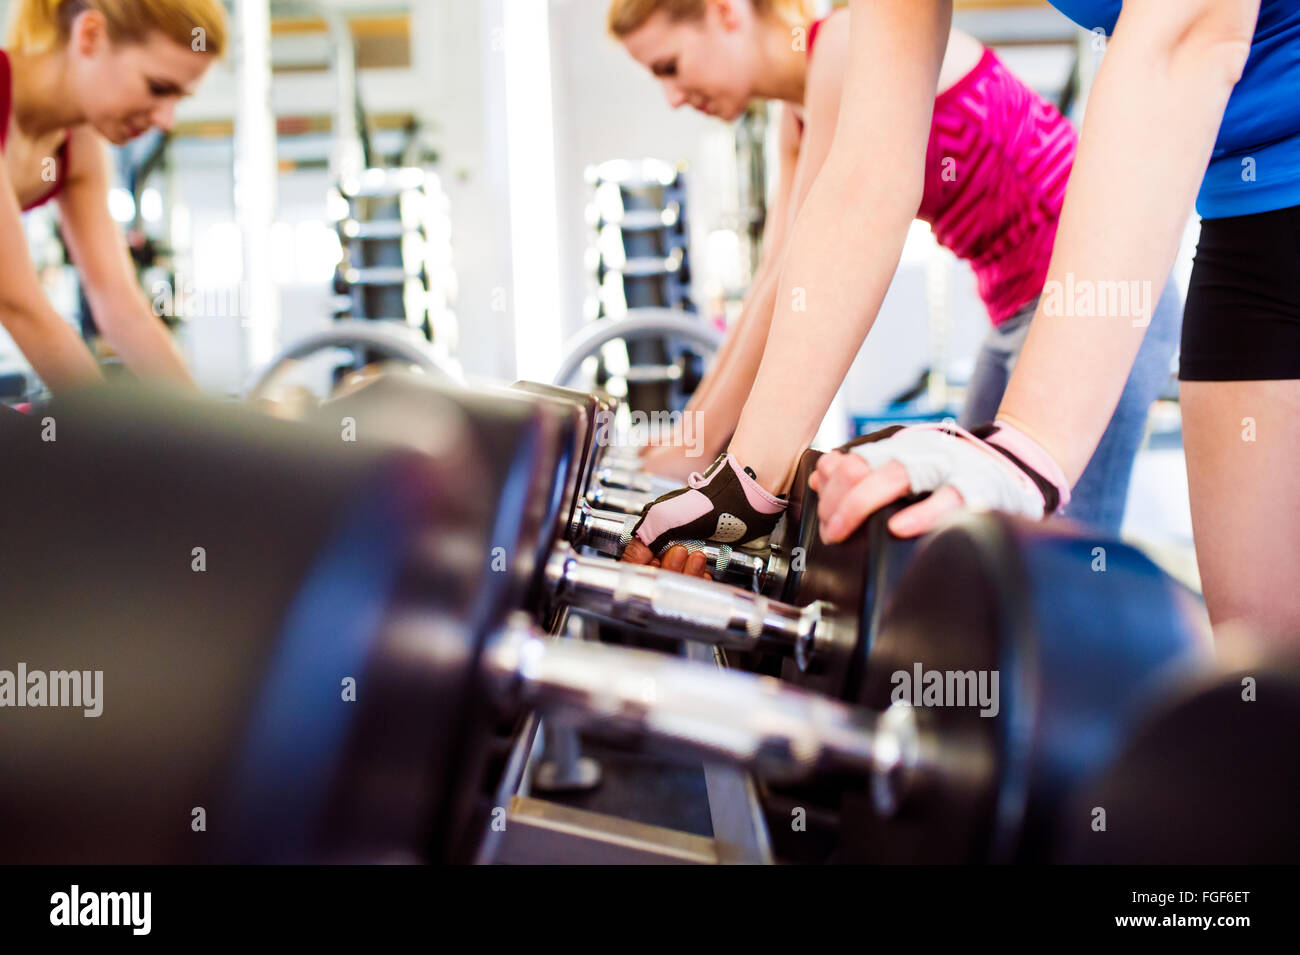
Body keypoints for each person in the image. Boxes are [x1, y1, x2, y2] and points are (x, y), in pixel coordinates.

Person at [627, 0, 1300, 643]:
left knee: (1044, 599)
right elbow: (861, 186)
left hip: (1104, 291)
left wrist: (1029, 449)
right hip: (1237, 224)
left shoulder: (830, 47)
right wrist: (743, 482)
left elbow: (1189, 33)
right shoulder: (802, 102)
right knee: (1262, 671)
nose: (670, 96)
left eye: (667, 68)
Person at [1, 0, 226, 395]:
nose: (166, 120)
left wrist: (204, 428)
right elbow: (20, 305)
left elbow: (122, 308)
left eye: (179, 100)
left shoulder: (79, 144)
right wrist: (109, 439)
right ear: (90, 36)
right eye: (158, 88)